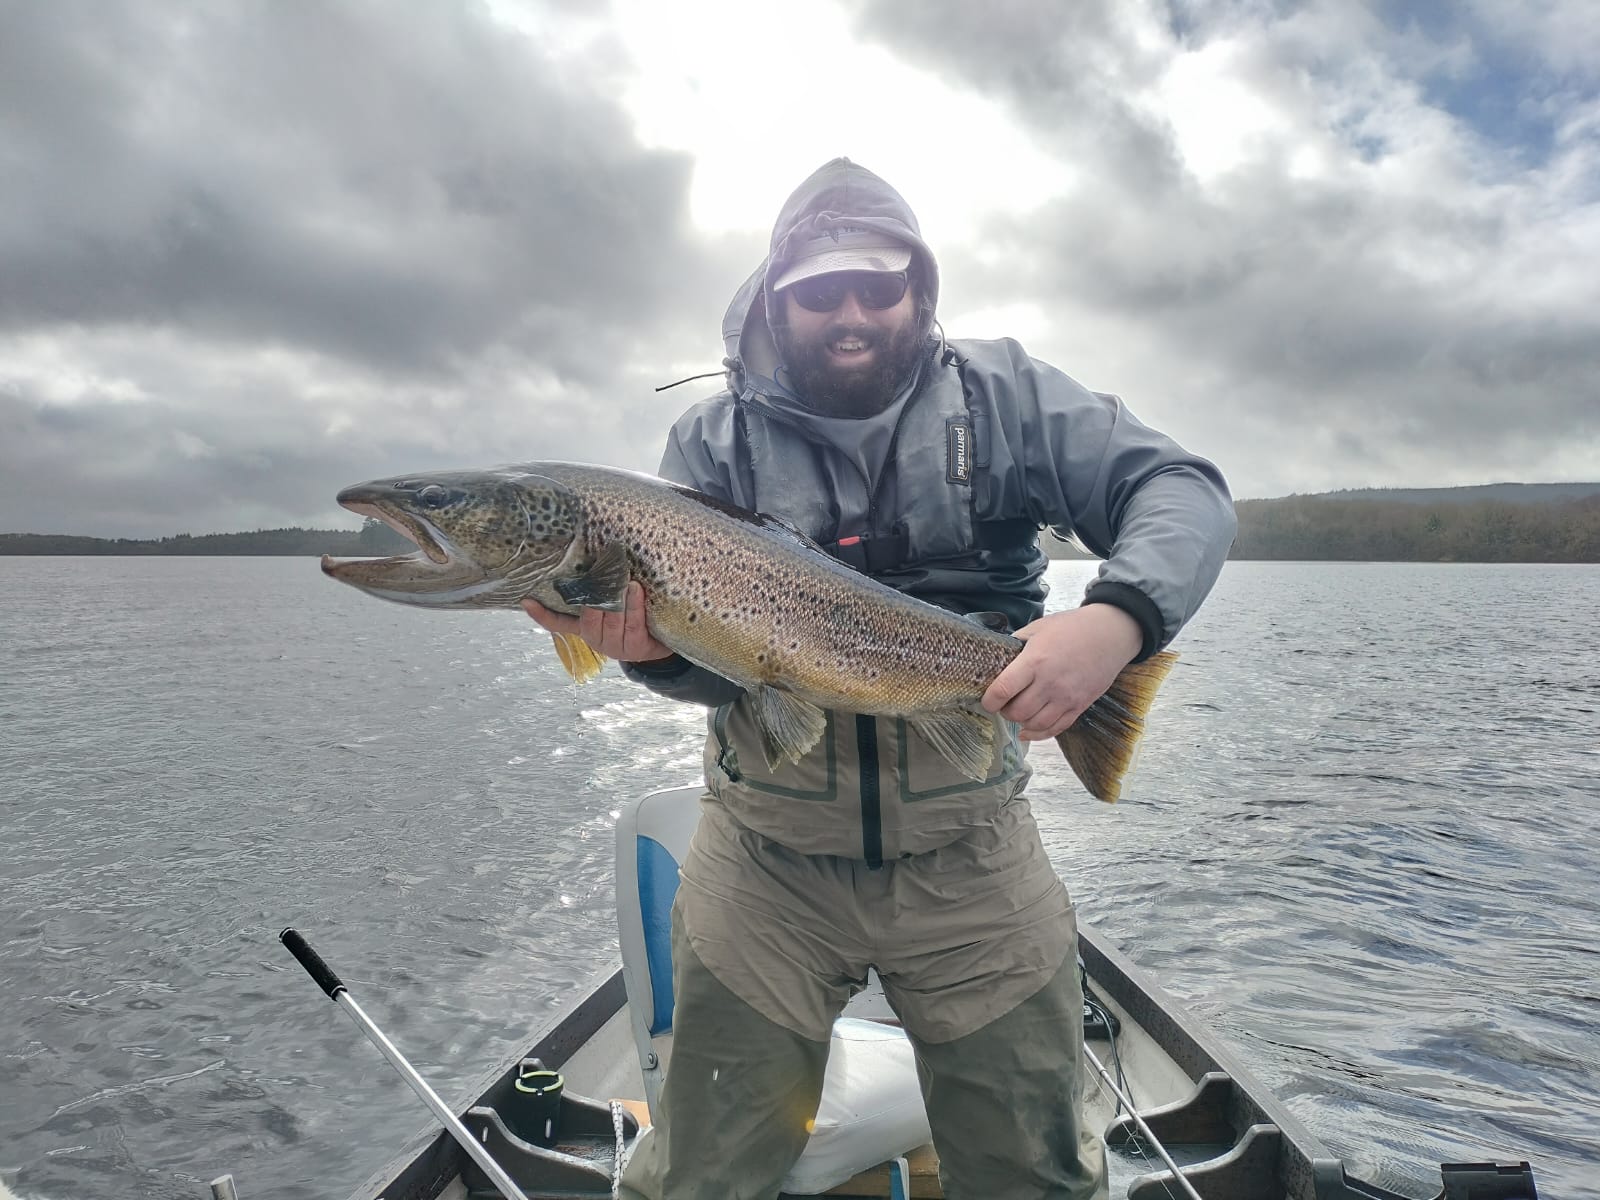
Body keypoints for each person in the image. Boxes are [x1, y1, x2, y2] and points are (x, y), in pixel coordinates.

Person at [524, 158, 1236, 1200]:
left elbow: (1182, 490)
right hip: (765, 861)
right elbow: (725, 679)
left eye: (877, 284)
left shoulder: (1007, 400)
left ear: (919, 288)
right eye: (819, 292)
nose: (850, 312)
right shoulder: (710, 443)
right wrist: (659, 653)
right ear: (778, 301)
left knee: (1034, 1174)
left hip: (970, 854)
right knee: (702, 1177)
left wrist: (1115, 621)